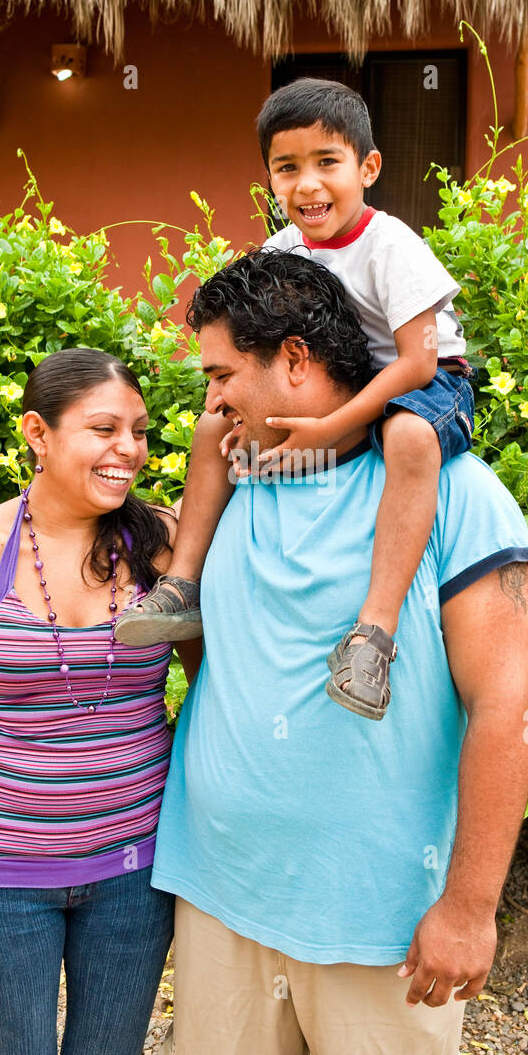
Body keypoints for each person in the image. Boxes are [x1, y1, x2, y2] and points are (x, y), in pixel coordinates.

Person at [148, 251, 528, 1055]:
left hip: (383, 923)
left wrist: (471, 908)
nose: (211, 402)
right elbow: (207, 648)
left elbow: (506, 710)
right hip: (221, 899)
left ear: (293, 358)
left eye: (222, 375)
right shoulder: (236, 479)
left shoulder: (452, 493)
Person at [0, 348, 200, 1055]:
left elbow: (214, 685)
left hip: (135, 878)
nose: (128, 448)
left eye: (138, 430)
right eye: (103, 428)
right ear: (38, 432)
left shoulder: (159, 544)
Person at [116, 77, 472, 721]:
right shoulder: (282, 251)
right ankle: (183, 582)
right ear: (270, 181)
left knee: (409, 437)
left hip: (428, 382)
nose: (307, 185)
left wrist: (333, 424)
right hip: (353, 385)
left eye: (327, 163)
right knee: (209, 428)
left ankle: (374, 635)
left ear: (368, 167)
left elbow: (418, 361)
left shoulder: (392, 247)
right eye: (287, 168)